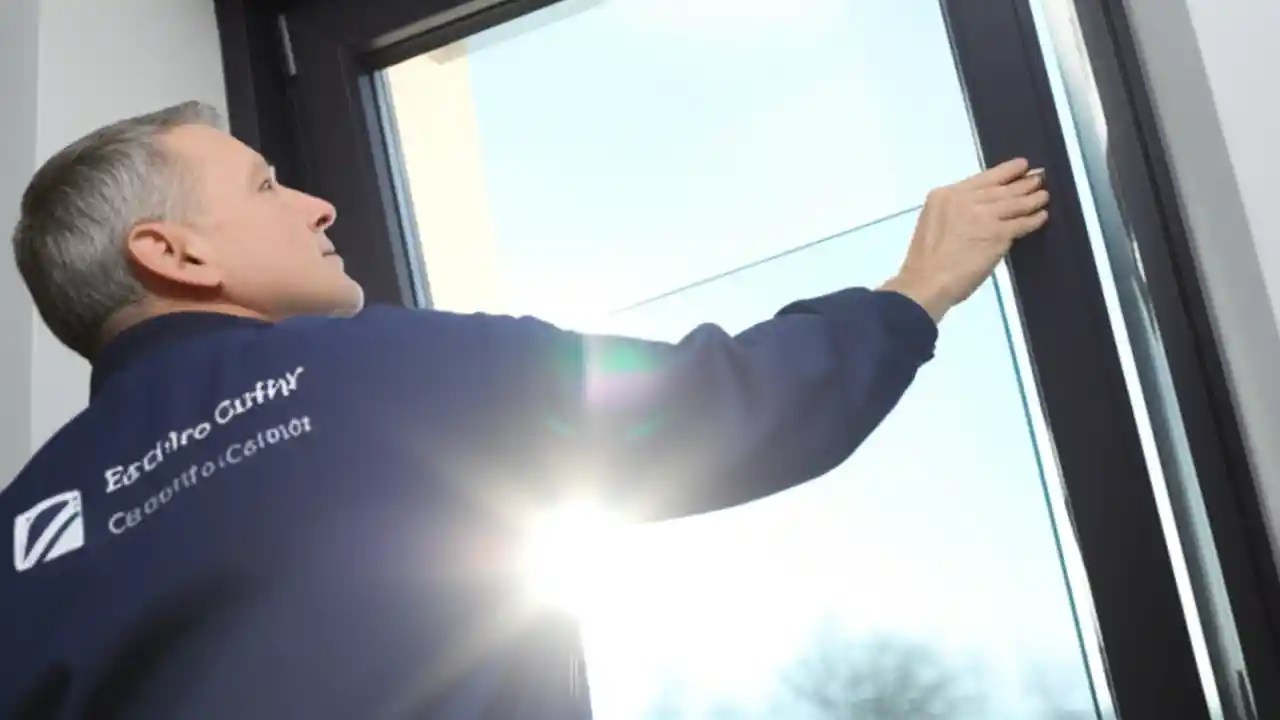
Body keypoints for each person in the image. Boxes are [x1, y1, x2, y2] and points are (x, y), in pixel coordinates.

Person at [0, 101, 1049, 719]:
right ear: (174, 253)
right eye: (268, 187)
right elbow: (724, 408)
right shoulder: (374, 372)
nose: (316, 205)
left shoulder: (22, 530)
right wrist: (913, 292)